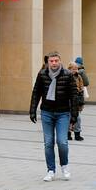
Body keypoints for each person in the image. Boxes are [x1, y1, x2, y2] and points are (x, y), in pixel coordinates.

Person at [30, 52, 77, 182]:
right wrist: (32, 110)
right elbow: (36, 93)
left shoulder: (67, 75)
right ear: (48, 62)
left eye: (56, 60)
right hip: (47, 112)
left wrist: (74, 116)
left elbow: (74, 96)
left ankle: (64, 166)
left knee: (62, 142)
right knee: (48, 143)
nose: (54, 63)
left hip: (63, 113)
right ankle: (51, 170)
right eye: (51, 61)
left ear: (60, 61)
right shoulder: (42, 74)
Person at [67, 62, 86, 143]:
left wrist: (81, 102)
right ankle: (68, 134)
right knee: (68, 117)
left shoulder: (79, 77)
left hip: (76, 100)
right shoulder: (66, 76)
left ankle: (77, 134)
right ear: (69, 69)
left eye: (76, 69)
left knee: (77, 118)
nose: (75, 70)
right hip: (68, 101)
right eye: (73, 69)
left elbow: (82, 88)